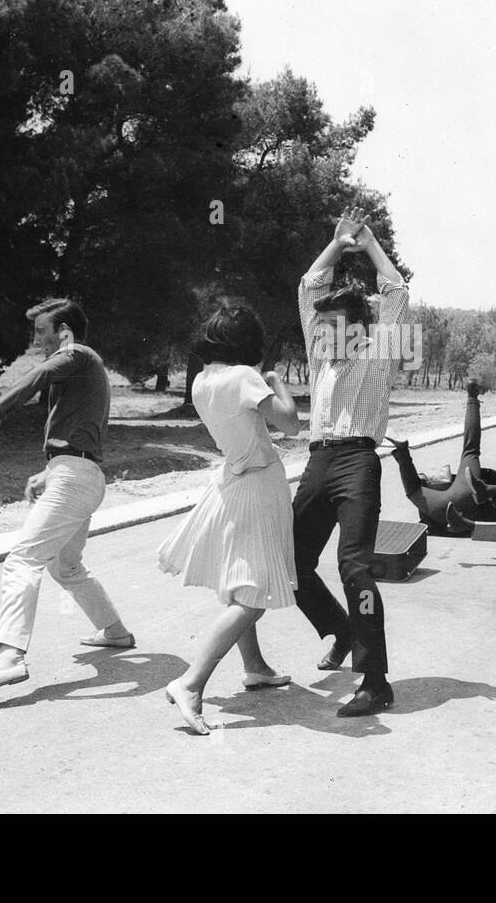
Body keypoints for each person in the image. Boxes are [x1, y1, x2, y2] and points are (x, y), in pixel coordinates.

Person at [0, 298, 133, 698]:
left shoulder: (78, 354)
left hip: (75, 478)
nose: (36, 340)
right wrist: (50, 469)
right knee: (67, 567)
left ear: (65, 333)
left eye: (42, 331)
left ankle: (9, 659)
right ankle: (115, 631)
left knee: (22, 560)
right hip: (78, 473)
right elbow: (76, 437)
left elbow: (38, 375)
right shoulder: (81, 370)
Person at [158, 305, 301, 735]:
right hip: (258, 484)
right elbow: (290, 424)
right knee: (252, 598)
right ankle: (191, 682)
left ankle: (254, 666)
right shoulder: (245, 378)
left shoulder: (203, 381)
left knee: (242, 582)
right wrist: (278, 383)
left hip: (231, 482)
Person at [292, 205, 409, 718]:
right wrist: (339, 242)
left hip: (359, 463)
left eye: (337, 326)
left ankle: (375, 680)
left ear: (360, 327)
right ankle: (340, 629)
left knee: (355, 568)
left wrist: (369, 240)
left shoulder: (380, 349)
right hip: (318, 462)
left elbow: (397, 292)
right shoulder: (320, 354)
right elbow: (308, 286)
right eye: (324, 326)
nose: (327, 333)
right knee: (291, 564)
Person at [385, 378, 496, 536]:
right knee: (413, 490)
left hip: (446, 503)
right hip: (456, 503)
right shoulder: (482, 505)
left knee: (471, 449)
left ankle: (472, 395)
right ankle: (403, 453)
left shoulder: (477, 496)